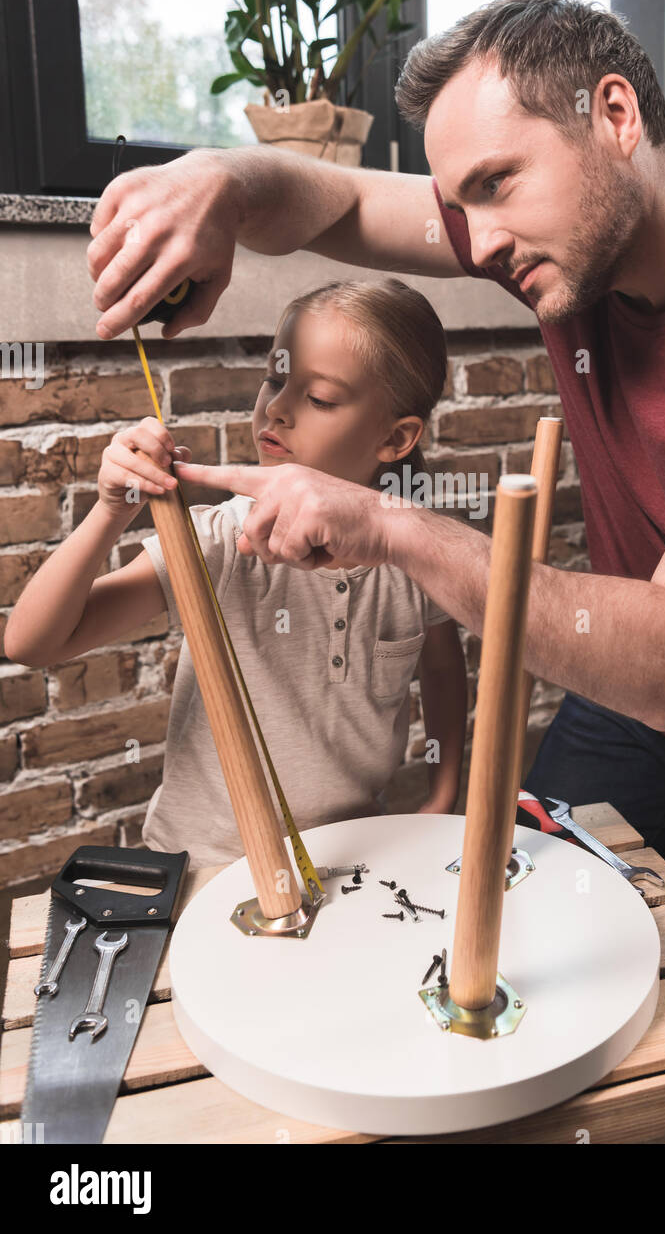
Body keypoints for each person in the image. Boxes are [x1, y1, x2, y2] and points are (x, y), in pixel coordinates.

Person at [84, 0, 665, 1119]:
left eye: (496, 183)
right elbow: (340, 196)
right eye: (459, 202)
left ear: (613, 115)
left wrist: (388, 522)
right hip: (627, 700)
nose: (479, 240)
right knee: (485, 975)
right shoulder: (557, 237)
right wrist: (220, 179)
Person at [5, 279, 467, 866]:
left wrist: (444, 788)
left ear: (395, 438)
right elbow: (31, 642)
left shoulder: (415, 548)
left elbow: (443, 661)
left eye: (319, 398)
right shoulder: (218, 539)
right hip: (205, 866)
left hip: (348, 859)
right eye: (275, 379)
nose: (276, 407)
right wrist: (109, 512)